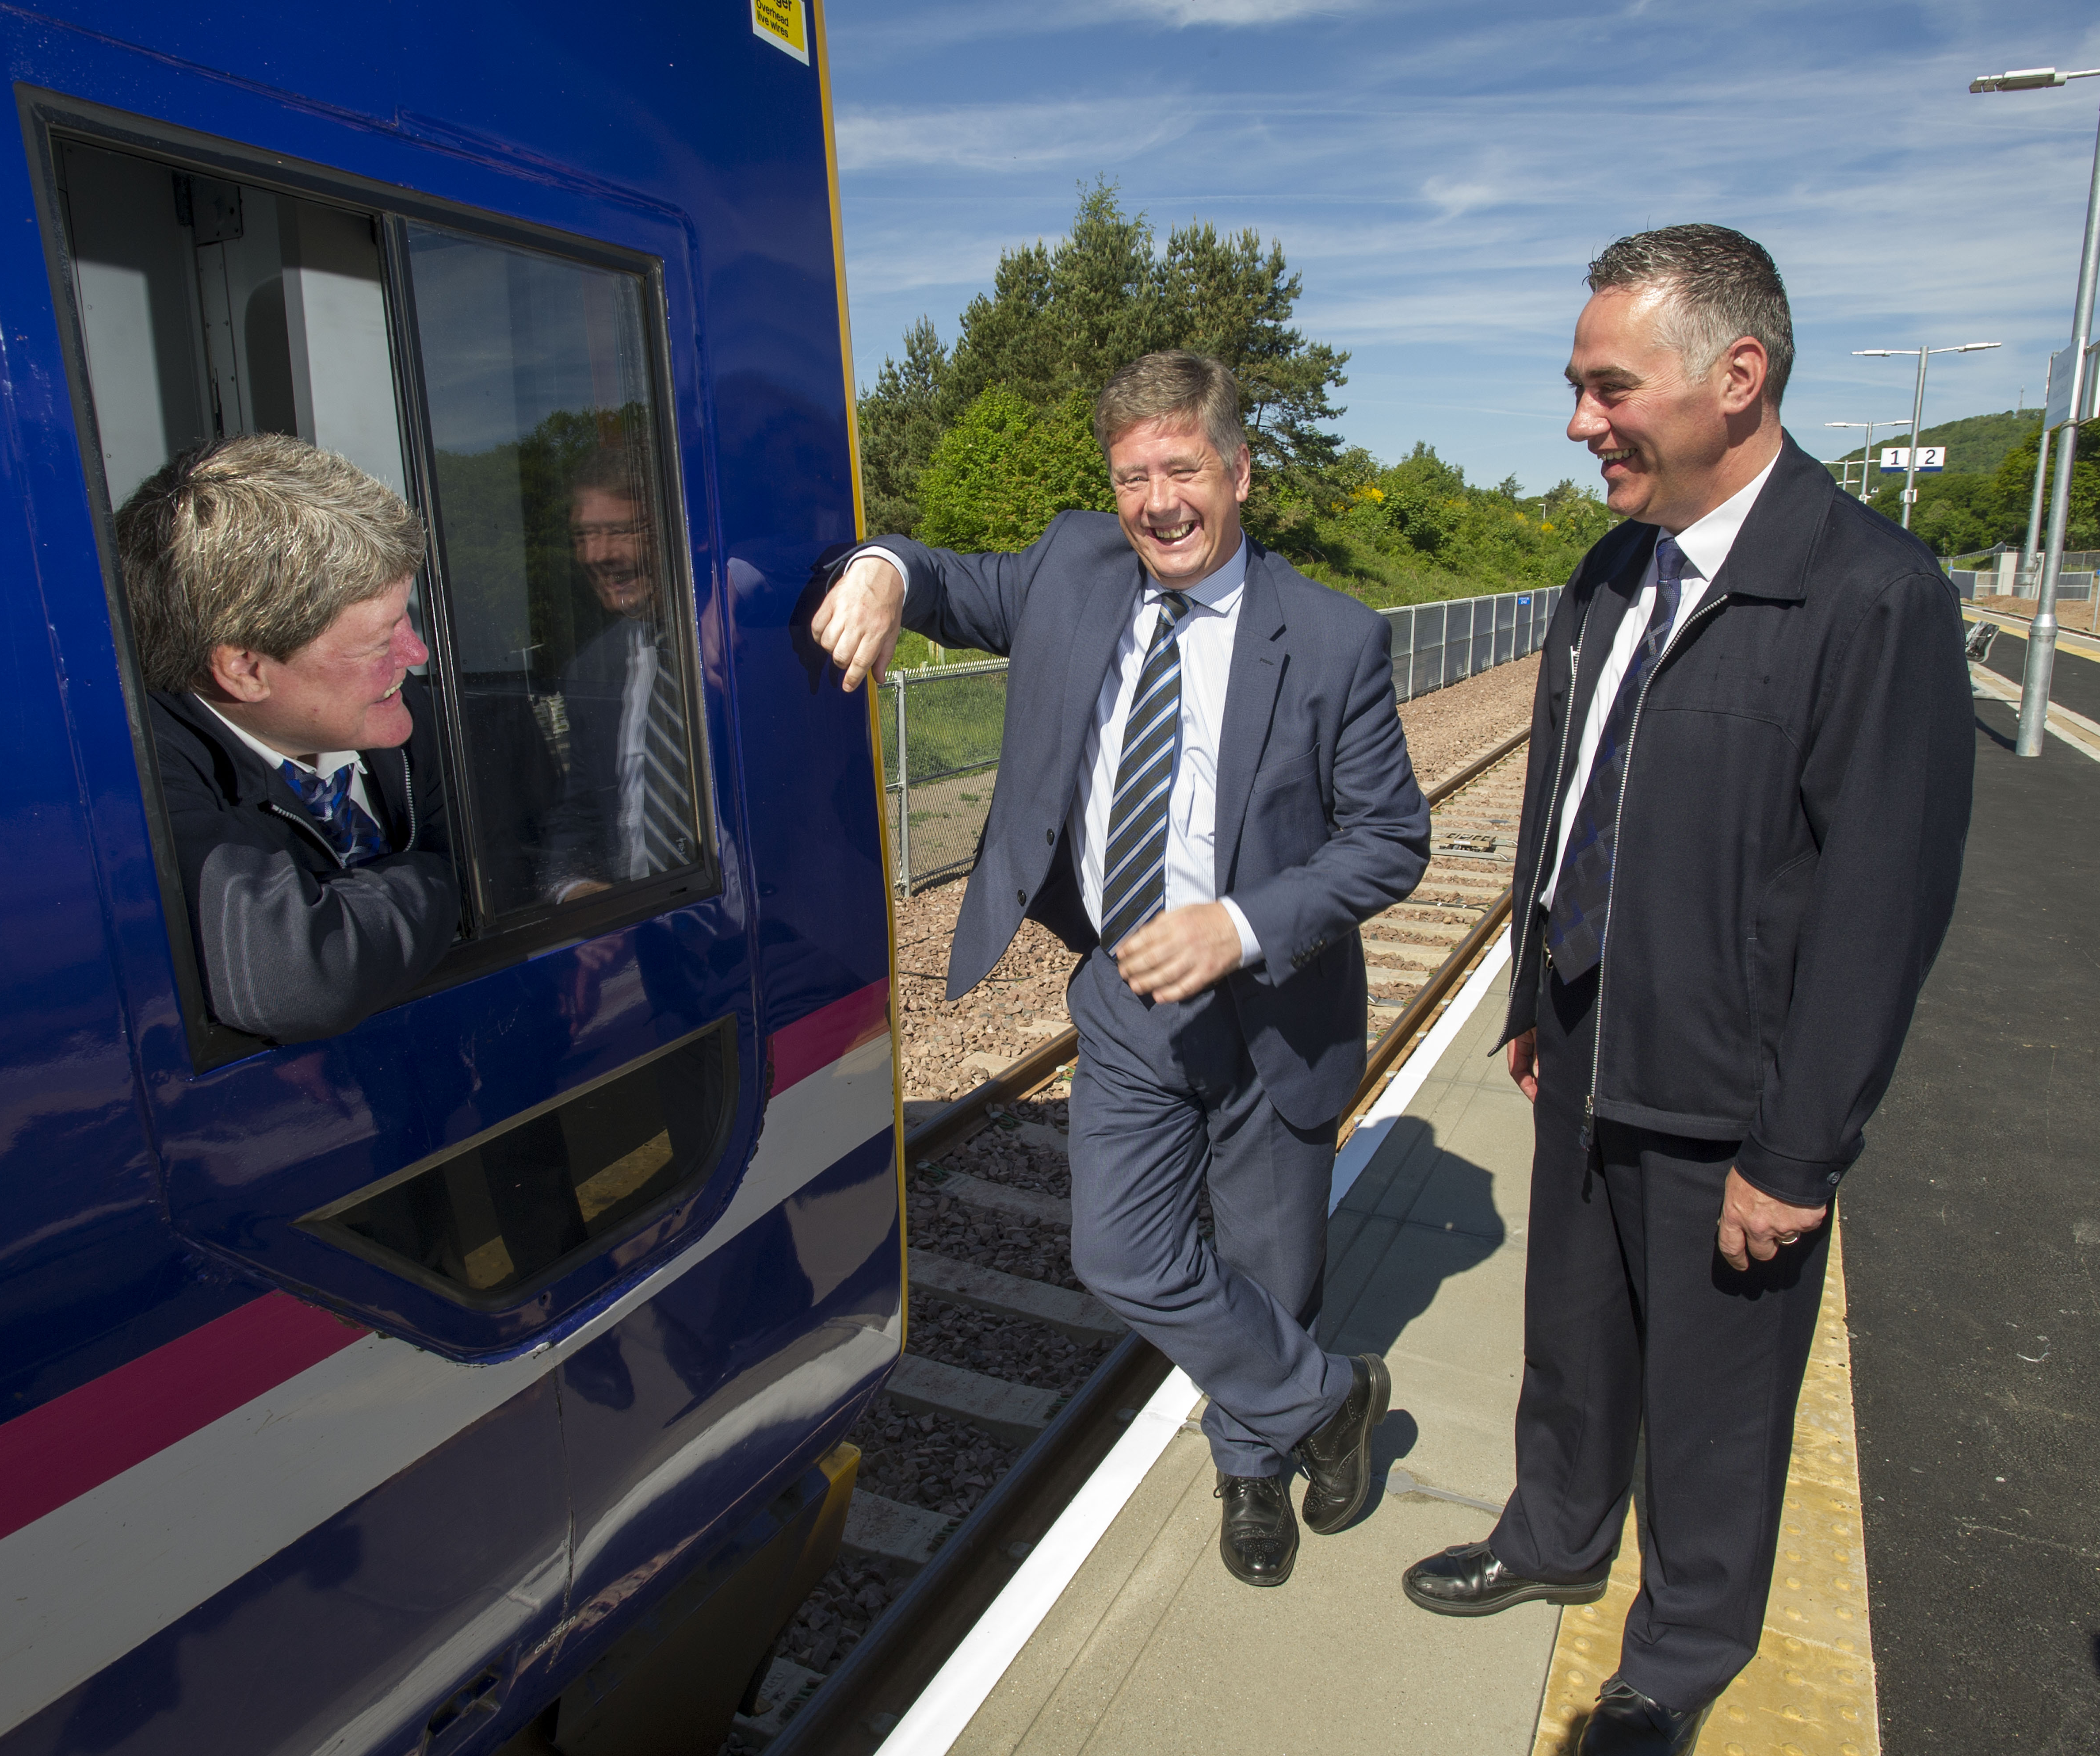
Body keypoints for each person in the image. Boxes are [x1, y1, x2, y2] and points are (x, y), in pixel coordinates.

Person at [1400, 227, 1971, 1753]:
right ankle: (1551, 1535)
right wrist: (1532, 992)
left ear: (1735, 378)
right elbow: (1563, 804)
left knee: (1717, 1400)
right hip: (1590, 1037)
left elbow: (1878, 906)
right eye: (1575, 387)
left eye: (1607, 387)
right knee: (1569, 1334)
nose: (1580, 422)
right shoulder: (1605, 577)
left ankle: (1676, 1648)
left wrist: (1795, 1155)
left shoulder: (1865, 595)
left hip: (1732, 1091)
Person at [810, 351, 1431, 1588]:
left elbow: (1392, 839)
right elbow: (935, 574)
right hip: (1125, 989)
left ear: (1240, 471)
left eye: (1183, 468)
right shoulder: (1071, 568)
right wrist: (879, 571)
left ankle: (1251, 1467)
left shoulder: (1333, 636)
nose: (1156, 500)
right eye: (1132, 473)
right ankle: (1326, 1399)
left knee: (1267, 1267)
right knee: (1121, 1252)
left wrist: (1242, 924)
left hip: (1272, 1006)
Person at [119, 433, 458, 1044]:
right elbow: (296, 979)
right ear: (245, 669)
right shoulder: (133, 779)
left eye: (407, 616)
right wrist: (459, 878)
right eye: (382, 640)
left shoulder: (411, 715)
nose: (417, 654)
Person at [543, 448, 699, 901]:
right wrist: (572, 886)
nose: (597, 554)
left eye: (621, 530)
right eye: (583, 536)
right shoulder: (589, 671)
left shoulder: (733, 642)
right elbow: (583, 811)